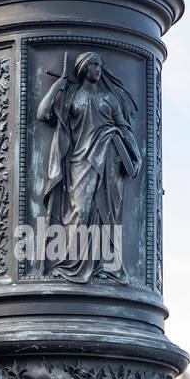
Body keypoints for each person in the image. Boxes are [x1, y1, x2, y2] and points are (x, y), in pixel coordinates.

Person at [37, 50, 141, 281]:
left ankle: (106, 266)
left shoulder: (109, 99)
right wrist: (59, 84)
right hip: (80, 162)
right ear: (83, 68)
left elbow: (123, 128)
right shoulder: (71, 96)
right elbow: (43, 114)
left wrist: (135, 154)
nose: (98, 70)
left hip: (109, 161)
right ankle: (72, 264)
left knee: (107, 214)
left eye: (100, 66)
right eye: (94, 65)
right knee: (79, 212)